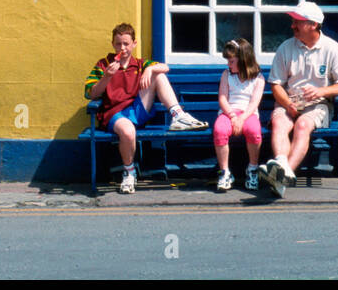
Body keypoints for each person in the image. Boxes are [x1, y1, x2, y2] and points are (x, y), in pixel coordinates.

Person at [84, 22, 207, 195]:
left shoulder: (140, 64)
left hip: (137, 109)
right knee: (127, 132)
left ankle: (178, 115)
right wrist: (106, 77)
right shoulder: (103, 64)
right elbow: (91, 93)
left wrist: (149, 70)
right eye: (118, 44)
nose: (122, 48)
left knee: (159, 74)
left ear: (134, 44)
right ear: (113, 44)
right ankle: (129, 172)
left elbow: (165, 67)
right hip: (114, 113)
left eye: (126, 44)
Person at [259, 1, 338, 198]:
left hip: (318, 104)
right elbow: (276, 84)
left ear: (313, 25)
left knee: (302, 125)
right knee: (279, 123)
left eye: (298, 22)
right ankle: (282, 171)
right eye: (293, 21)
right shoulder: (286, 48)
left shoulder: (331, 48)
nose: (293, 25)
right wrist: (287, 104)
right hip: (289, 100)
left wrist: (322, 91)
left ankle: (280, 177)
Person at [213, 38, 265, 191]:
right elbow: (222, 97)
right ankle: (225, 172)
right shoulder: (226, 74)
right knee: (219, 130)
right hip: (229, 112)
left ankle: (253, 169)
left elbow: (254, 102)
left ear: (243, 60)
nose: (228, 64)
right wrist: (233, 116)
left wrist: (242, 118)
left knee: (255, 132)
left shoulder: (258, 78)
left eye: (232, 61)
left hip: (248, 113)